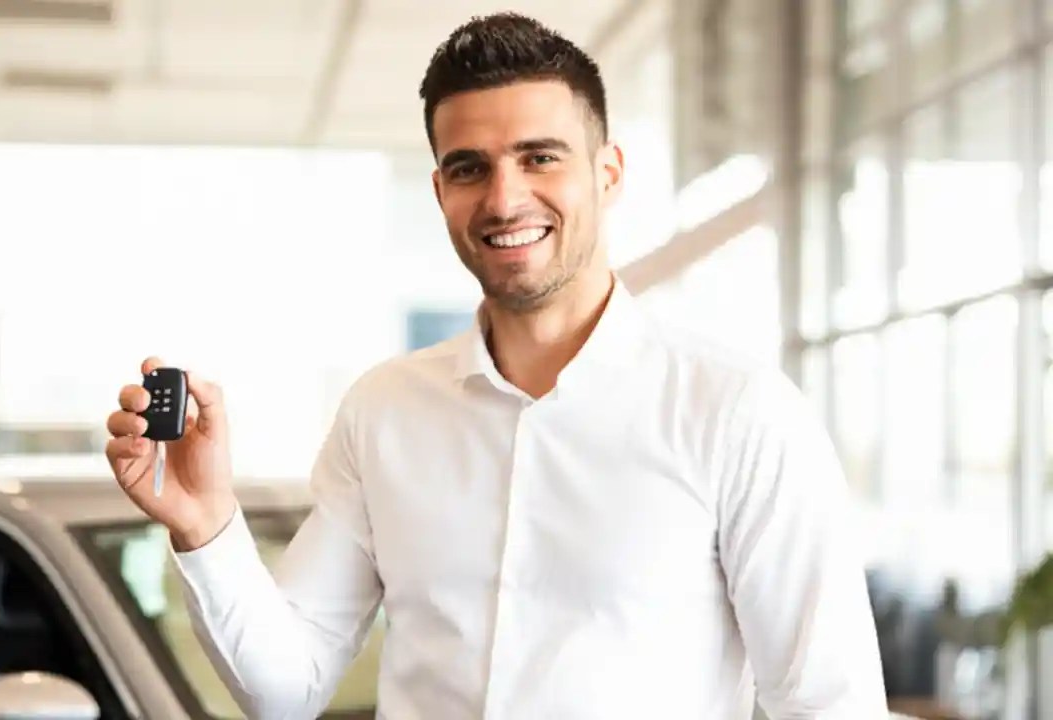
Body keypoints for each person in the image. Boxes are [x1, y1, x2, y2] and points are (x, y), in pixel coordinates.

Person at [104, 12, 888, 720]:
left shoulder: (738, 412)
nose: (504, 198)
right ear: (442, 186)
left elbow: (827, 706)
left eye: (539, 157)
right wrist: (207, 525)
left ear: (607, 172)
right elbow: (286, 689)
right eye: (470, 167)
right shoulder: (383, 411)